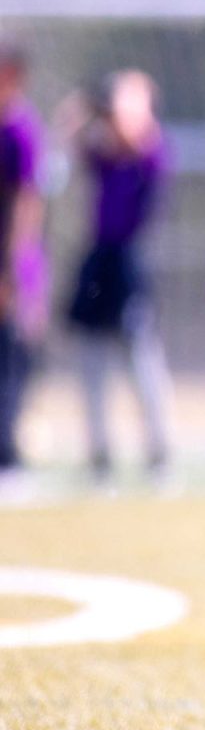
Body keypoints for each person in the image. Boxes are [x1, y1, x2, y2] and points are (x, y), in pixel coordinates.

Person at [59, 70, 175, 491]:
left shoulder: (154, 151)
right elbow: (73, 140)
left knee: (140, 359)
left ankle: (159, 453)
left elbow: (138, 139)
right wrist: (84, 111)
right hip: (98, 259)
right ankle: (99, 455)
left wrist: (127, 108)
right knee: (90, 360)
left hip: (131, 262)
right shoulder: (103, 152)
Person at [0, 44, 47, 504]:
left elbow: (27, 203)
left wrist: (12, 270)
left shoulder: (20, 132)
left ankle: (7, 460)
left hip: (9, 268)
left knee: (9, 361)